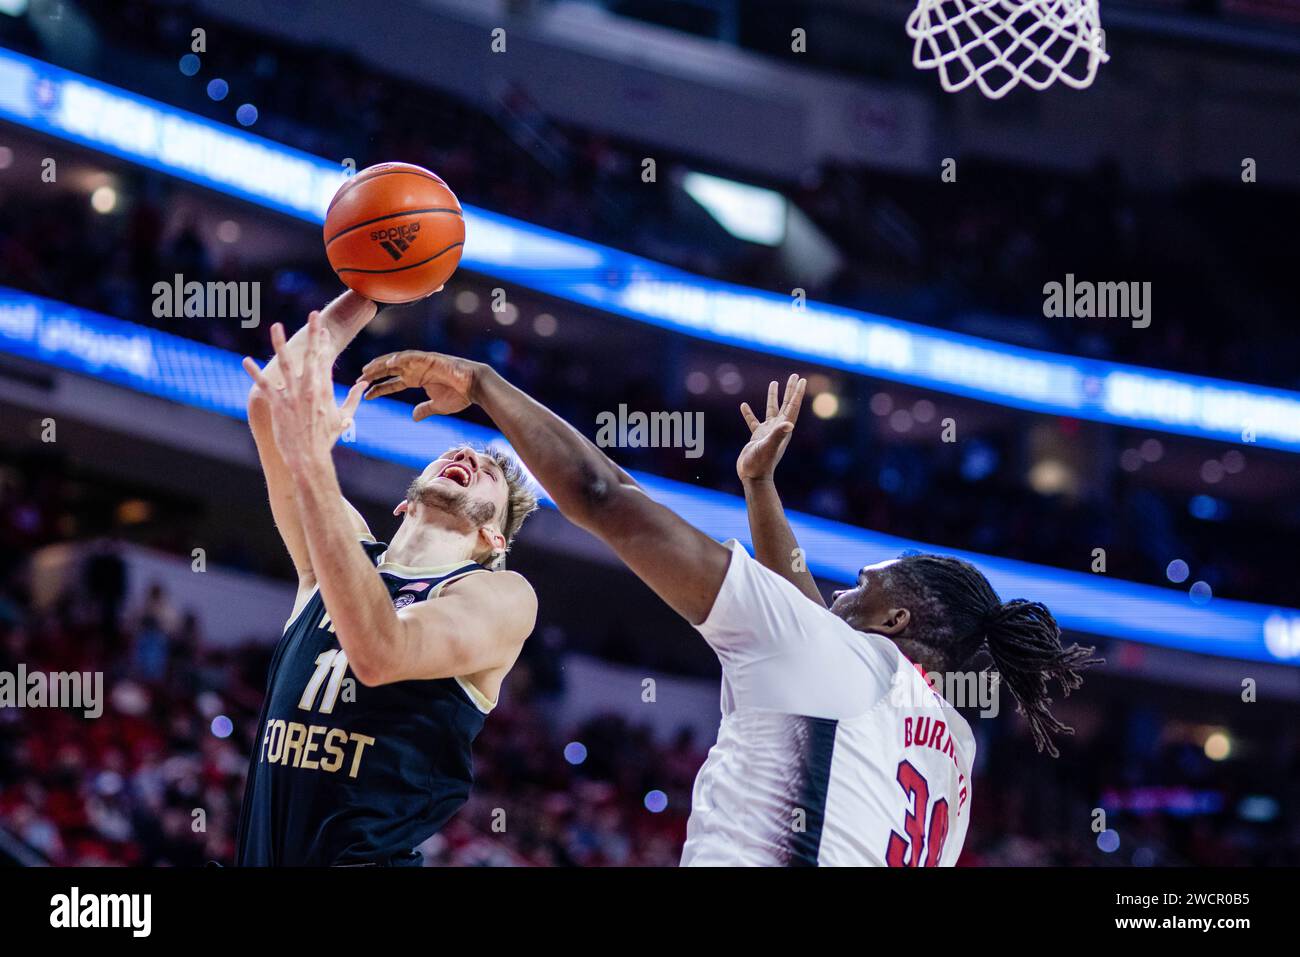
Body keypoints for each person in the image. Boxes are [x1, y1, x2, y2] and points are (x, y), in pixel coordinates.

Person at [361, 354, 1100, 867]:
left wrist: (486, 385)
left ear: (897, 621)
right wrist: (759, 489)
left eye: (862, 586)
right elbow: (808, 614)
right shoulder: (955, 753)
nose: (836, 593)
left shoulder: (834, 656)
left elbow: (605, 497)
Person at [233, 294, 538, 866]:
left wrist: (317, 467)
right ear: (403, 504)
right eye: (457, 452)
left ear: (494, 541)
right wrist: (369, 289)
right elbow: (269, 409)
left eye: (489, 473)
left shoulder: (501, 595)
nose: (467, 458)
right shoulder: (339, 551)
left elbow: (380, 651)